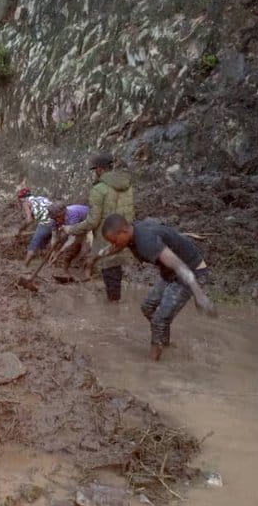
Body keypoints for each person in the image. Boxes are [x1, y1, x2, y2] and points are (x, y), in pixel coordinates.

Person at [98, 214, 217, 361]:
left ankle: (153, 364)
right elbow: (115, 247)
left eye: (114, 240)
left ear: (123, 231)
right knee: (148, 308)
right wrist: (95, 257)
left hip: (188, 270)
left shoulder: (146, 241)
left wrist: (199, 296)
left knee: (159, 320)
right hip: (169, 272)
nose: (114, 244)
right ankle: (164, 342)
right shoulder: (132, 232)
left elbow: (180, 265)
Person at [58, 153, 135, 301]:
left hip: (107, 234)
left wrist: (70, 229)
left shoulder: (98, 189)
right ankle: (115, 299)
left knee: (109, 268)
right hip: (126, 232)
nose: (94, 173)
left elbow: (93, 221)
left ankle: (113, 308)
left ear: (99, 169)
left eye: (95, 170)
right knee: (116, 266)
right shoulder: (127, 185)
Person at [15, 187, 54, 266]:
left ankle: (24, 266)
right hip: (56, 221)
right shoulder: (42, 198)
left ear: (21, 198)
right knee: (46, 242)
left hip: (45, 223)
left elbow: (29, 220)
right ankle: (47, 264)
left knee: (33, 244)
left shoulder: (26, 203)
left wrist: (20, 229)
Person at [47, 202, 89, 270]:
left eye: (58, 217)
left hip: (89, 222)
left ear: (64, 213)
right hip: (78, 225)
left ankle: (84, 267)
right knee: (66, 241)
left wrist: (58, 254)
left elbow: (72, 239)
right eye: (55, 218)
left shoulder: (73, 216)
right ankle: (67, 267)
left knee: (83, 247)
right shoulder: (53, 219)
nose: (57, 220)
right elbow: (54, 236)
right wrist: (53, 251)